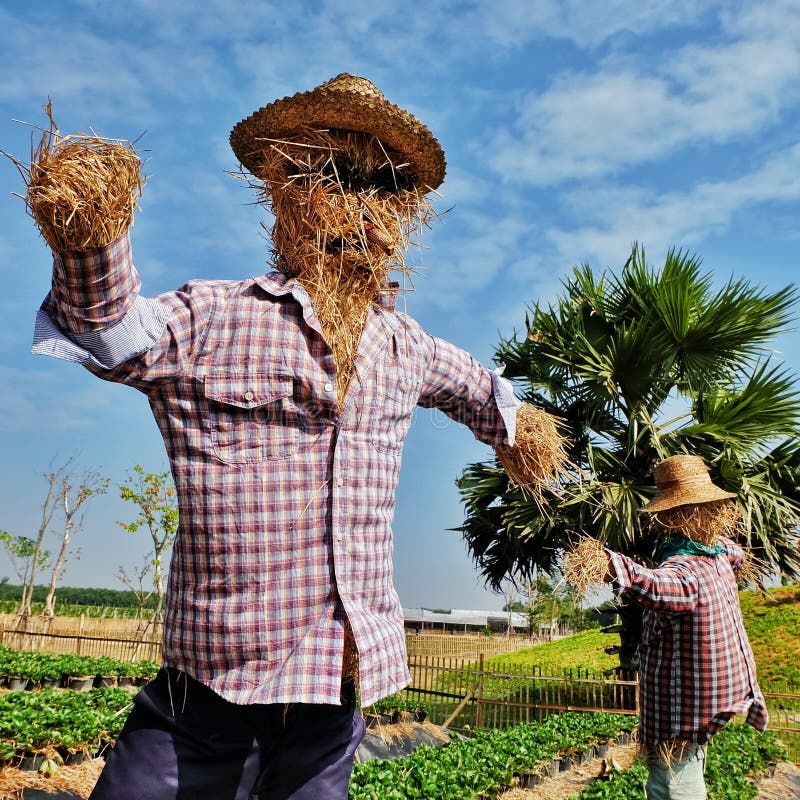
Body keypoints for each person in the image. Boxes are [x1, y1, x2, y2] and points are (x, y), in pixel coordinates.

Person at [26, 74, 566, 799]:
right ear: (284, 189)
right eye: (332, 174)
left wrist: (521, 429)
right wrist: (90, 230)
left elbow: (478, 388)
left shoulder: (403, 347)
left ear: (403, 212)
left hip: (335, 695)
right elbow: (110, 333)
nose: (359, 204)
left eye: (384, 185)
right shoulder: (218, 318)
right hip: (208, 696)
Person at [596, 455, 768, 799]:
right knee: (687, 765)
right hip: (716, 697)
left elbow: (652, 584)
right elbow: (736, 555)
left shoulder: (690, 568)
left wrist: (613, 566)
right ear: (707, 511)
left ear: (668, 516)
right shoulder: (716, 555)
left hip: (678, 716)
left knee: (672, 783)